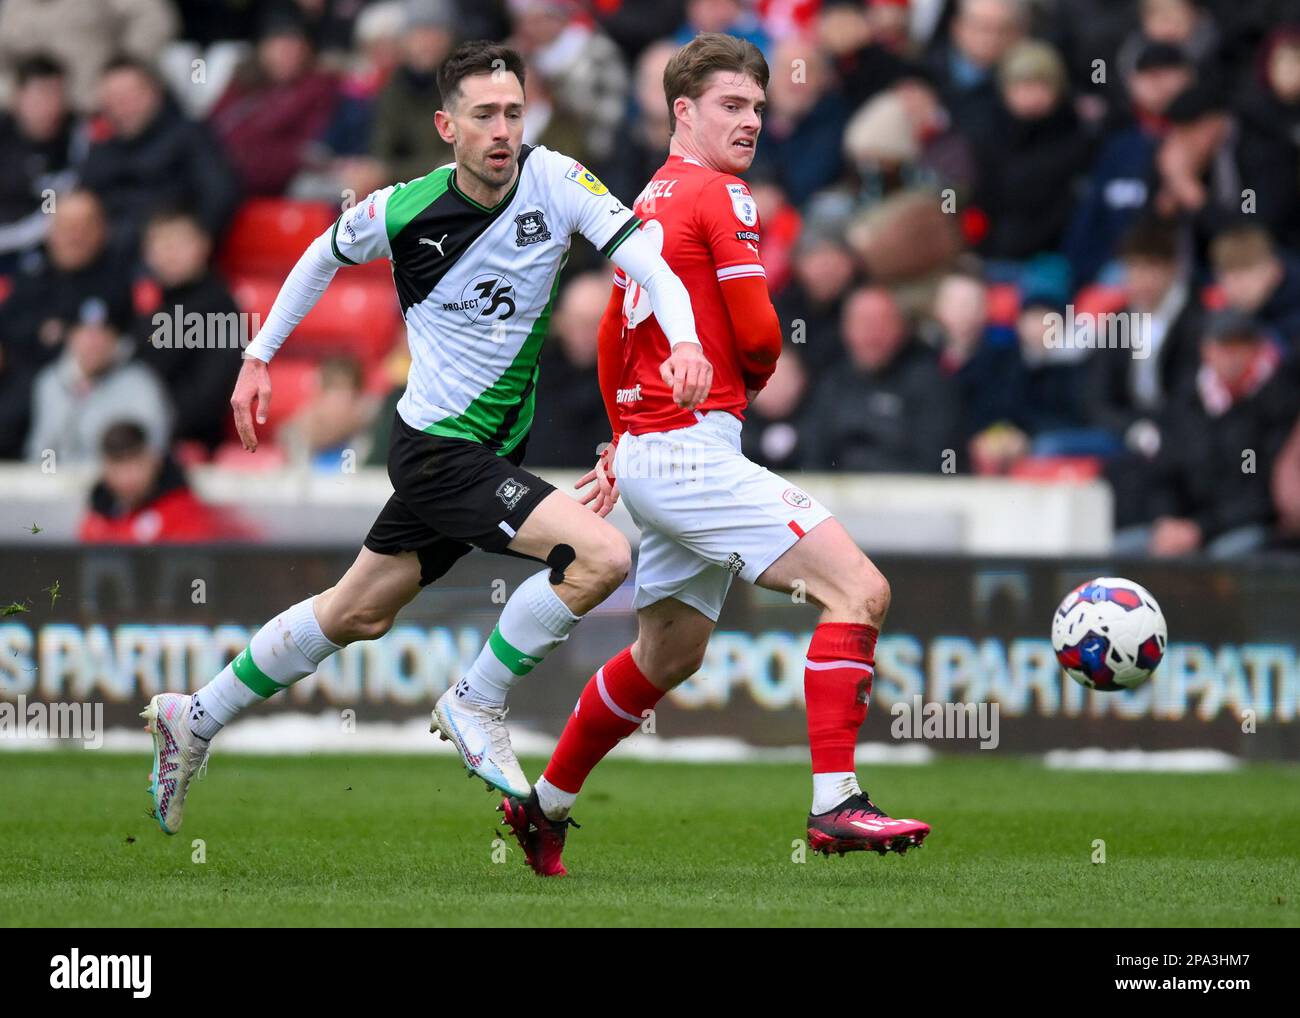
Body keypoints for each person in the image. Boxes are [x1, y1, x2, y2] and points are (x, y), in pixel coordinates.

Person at [138, 40, 711, 837]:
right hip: (438, 450)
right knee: (601, 557)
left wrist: (683, 339)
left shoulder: (558, 180)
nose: (503, 129)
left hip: (489, 450)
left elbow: (648, 260)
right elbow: (317, 255)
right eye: (484, 115)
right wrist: (259, 356)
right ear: (447, 125)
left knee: (356, 613)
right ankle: (476, 699)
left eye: (513, 111)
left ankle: (194, 716)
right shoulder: (404, 208)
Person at [498, 33, 931, 877]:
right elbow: (761, 331)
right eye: (732, 105)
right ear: (682, 112)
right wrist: (758, 377)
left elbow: (612, 343)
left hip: (656, 455)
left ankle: (544, 804)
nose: (752, 122)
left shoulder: (643, 200)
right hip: (692, 454)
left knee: (670, 653)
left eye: (759, 108)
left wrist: (625, 434)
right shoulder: (720, 193)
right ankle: (836, 804)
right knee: (860, 590)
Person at [79, 421, 255, 543]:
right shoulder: (97, 519)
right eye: (118, 467)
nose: (128, 478)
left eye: (136, 465)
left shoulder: (182, 512)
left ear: (153, 460)